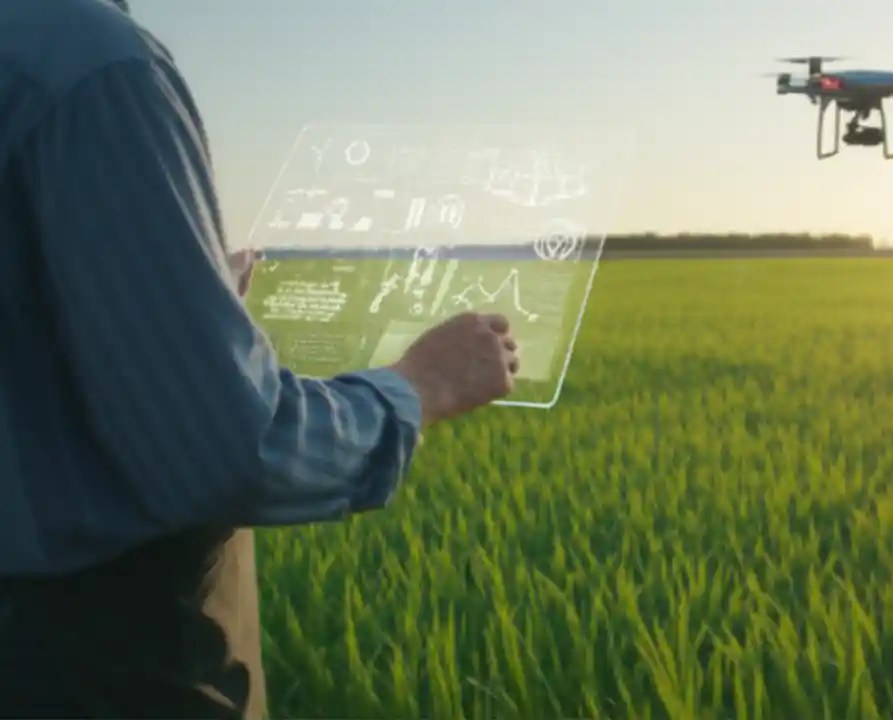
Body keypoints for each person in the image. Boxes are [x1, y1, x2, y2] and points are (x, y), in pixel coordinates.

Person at [0, 0, 519, 716]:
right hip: (96, 665)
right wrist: (418, 387)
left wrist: (186, 306)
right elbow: (226, 455)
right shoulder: (91, 62)